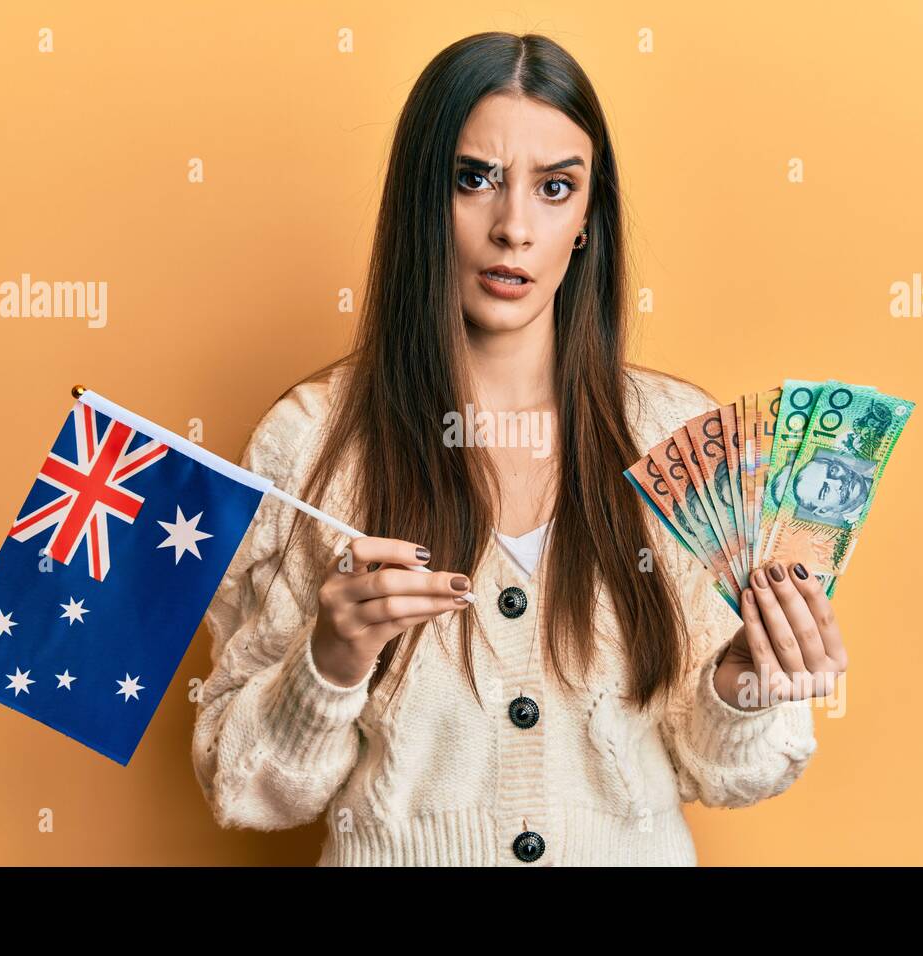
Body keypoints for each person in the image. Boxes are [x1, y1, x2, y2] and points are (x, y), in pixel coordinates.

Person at [191, 31, 846, 866]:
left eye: (555, 188)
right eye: (475, 180)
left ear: (585, 221)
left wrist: (749, 671)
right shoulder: (309, 440)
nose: (513, 228)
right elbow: (244, 786)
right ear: (422, 200)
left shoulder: (679, 438)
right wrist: (330, 660)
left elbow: (725, 771)